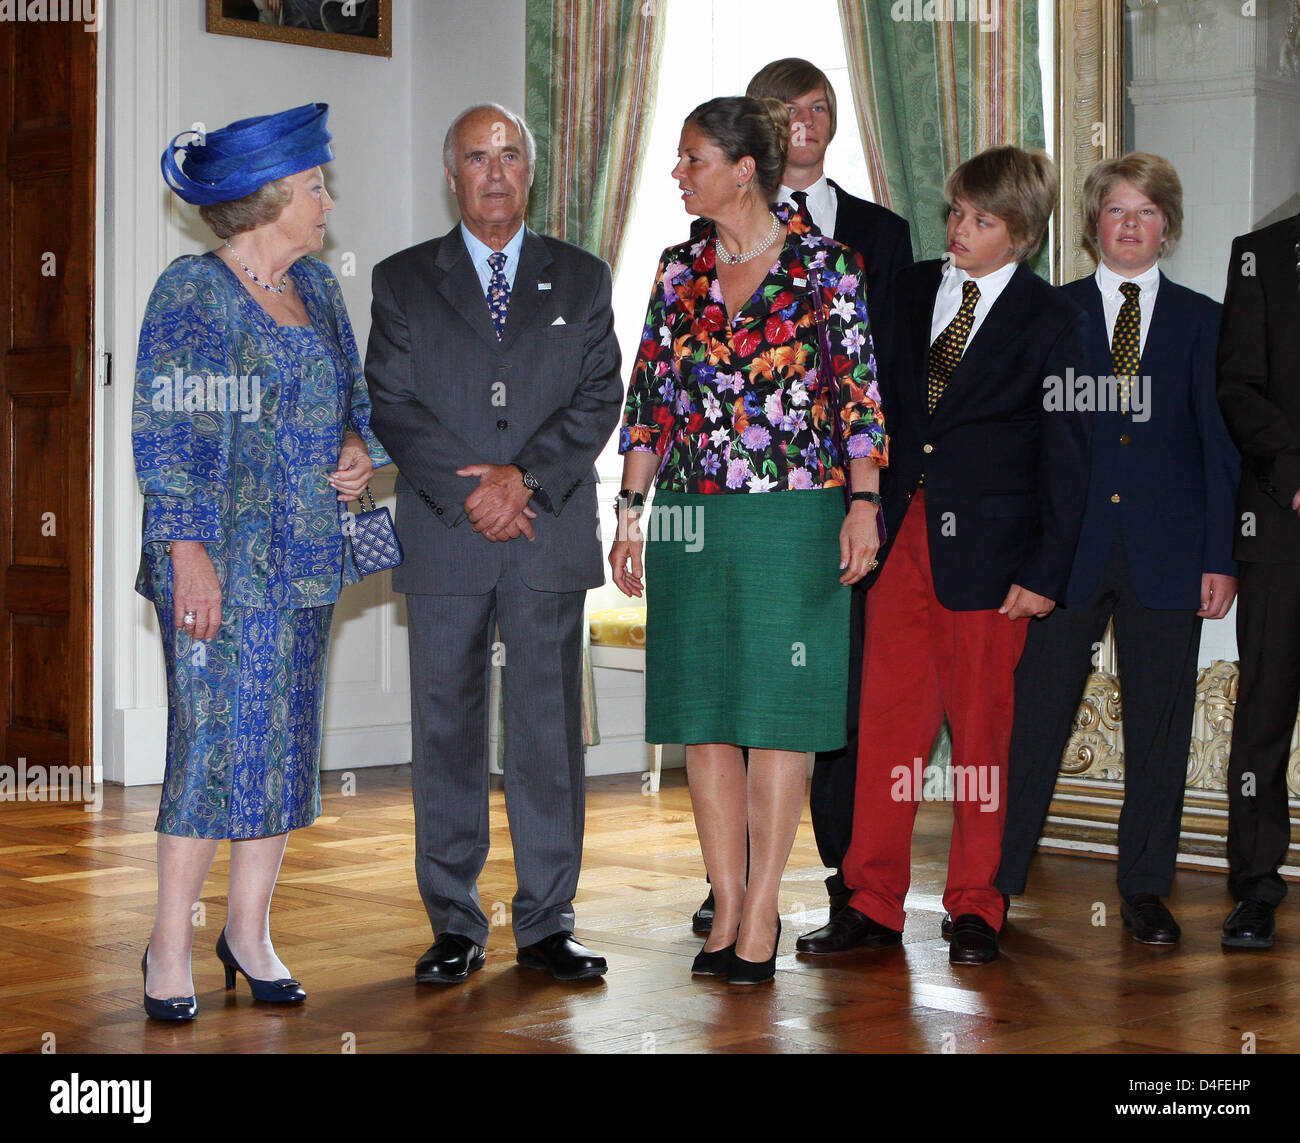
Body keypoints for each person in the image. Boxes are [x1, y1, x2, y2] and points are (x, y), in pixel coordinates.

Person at [611, 96, 888, 985]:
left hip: (797, 513)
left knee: (778, 715)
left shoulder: (825, 264)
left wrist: (864, 503)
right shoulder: (676, 266)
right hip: (692, 516)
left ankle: (764, 905)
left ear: (743, 168)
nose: (679, 173)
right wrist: (628, 508)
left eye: (693, 158)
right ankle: (724, 900)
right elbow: (650, 394)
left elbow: (858, 399)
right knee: (703, 716)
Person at [796, 145, 1090, 966]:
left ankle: (974, 904)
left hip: (996, 561)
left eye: (981, 220)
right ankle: (872, 901)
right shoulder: (913, 285)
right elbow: (870, 404)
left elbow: (1071, 456)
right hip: (896, 539)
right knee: (886, 728)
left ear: (1021, 233)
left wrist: (1044, 573)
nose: (960, 229)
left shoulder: (1055, 317)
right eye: (956, 212)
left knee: (980, 738)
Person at [133, 103, 389, 1020]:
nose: (327, 200)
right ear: (269, 196)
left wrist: (360, 451)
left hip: (306, 559)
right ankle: (169, 940)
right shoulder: (190, 293)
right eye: (316, 185)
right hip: (215, 560)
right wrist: (187, 551)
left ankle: (247, 930)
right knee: (209, 744)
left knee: (281, 746)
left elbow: (354, 400)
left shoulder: (318, 287)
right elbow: (165, 432)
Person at [365, 103, 621, 985]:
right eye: (478, 157)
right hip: (446, 533)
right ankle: (454, 922)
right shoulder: (402, 281)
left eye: (511, 154)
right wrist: (476, 491)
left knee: (547, 730)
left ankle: (548, 922)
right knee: (447, 729)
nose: (497, 171)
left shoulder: (583, 278)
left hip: (546, 529)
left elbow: (598, 397)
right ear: (453, 175)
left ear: (532, 169)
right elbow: (392, 402)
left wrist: (527, 481)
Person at [687, 58, 914, 935]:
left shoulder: (879, 236)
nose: (806, 120)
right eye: (787, 109)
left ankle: (849, 888)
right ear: (757, 133)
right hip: (724, 511)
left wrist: (872, 498)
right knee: (737, 701)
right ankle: (735, 885)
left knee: (833, 696)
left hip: (836, 508)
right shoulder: (705, 242)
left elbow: (881, 380)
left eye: (821, 107)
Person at [996, 153, 1239, 945]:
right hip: (1062, 556)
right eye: (1114, 211)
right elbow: (1025, 443)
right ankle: (994, 883)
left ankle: (1143, 888)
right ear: (1092, 224)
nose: (1129, 225)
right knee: (1032, 719)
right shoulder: (1050, 313)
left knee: (1161, 728)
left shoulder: (1205, 321)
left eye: (1145, 212)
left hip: (1167, 557)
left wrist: (1220, 556)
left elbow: (1218, 450)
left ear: (1167, 227)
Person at [1215, 206, 1300, 949]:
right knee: (1264, 713)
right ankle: (1254, 886)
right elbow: (1237, 384)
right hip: (1280, 527)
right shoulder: (1261, 256)